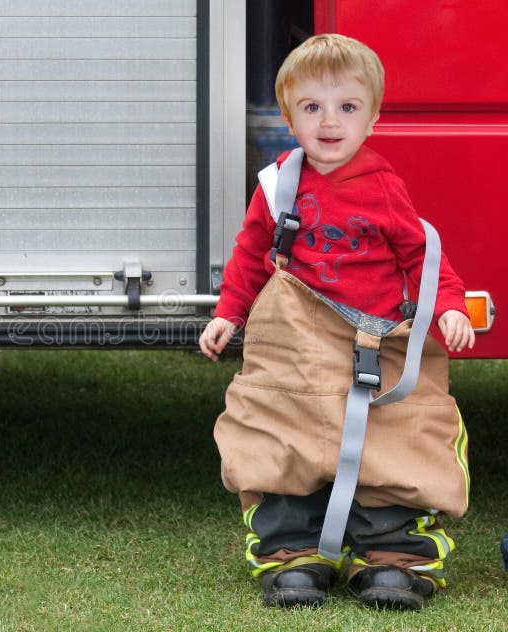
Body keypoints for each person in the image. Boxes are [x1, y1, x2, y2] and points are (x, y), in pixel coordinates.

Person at [200, 33, 475, 610]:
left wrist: (448, 304)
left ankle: (395, 558)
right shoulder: (279, 186)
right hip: (296, 344)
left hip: (372, 341)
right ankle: (292, 554)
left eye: (347, 107)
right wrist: (229, 312)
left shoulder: (383, 187)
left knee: (394, 442)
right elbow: (252, 254)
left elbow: (422, 255)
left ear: (372, 118)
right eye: (312, 108)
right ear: (289, 116)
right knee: (281, 434)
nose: (330, 122)